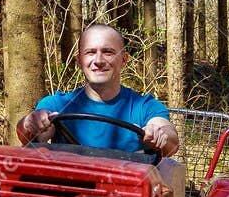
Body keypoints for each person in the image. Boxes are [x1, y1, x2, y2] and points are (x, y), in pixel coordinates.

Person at [15, 23, 181, 157]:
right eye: (90, 52)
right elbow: (27, 135)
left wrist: (158, 134)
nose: (98, 60)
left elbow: (170, 139)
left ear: (124, 60)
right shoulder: (56, 104)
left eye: (108, 52)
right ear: (80, 61)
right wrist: (31, 124)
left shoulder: (145, 106)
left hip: (126, 194)